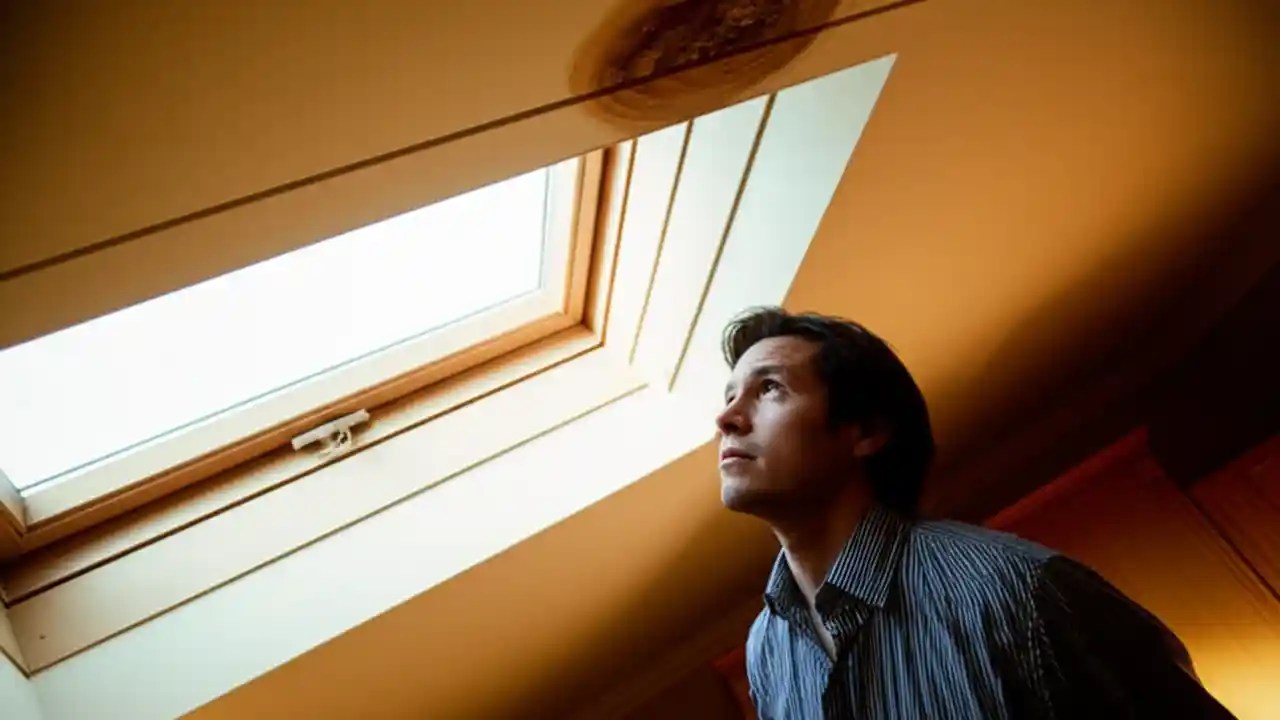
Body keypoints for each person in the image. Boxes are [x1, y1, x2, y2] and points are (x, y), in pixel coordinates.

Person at [716, 307, 1234, 719]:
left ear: (867, 432)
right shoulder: (766, 650)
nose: (726, 418)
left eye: (770, 389)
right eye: (731, 395)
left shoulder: (1025, 591)